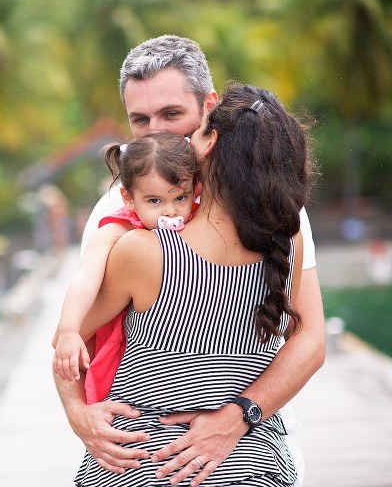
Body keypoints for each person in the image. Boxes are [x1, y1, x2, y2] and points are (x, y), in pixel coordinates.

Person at [53, 35, 325, 485]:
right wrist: (77, 413)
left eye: (172, 114)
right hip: (143, 439)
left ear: (209, 111)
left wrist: (240, 414)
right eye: (140, 119)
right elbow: (72, 333)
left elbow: (310, 339)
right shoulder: (121, 208)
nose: (156, 130)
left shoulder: (279, 213)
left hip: (246, 433)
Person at [52, 132, 201, 404]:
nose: (170, 211)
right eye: (154, 201)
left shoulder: (199, 221)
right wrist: (70, 330)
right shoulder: (117, 228)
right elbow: (86, 278)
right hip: (125, 338)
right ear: (129, 198)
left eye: (180, 198)